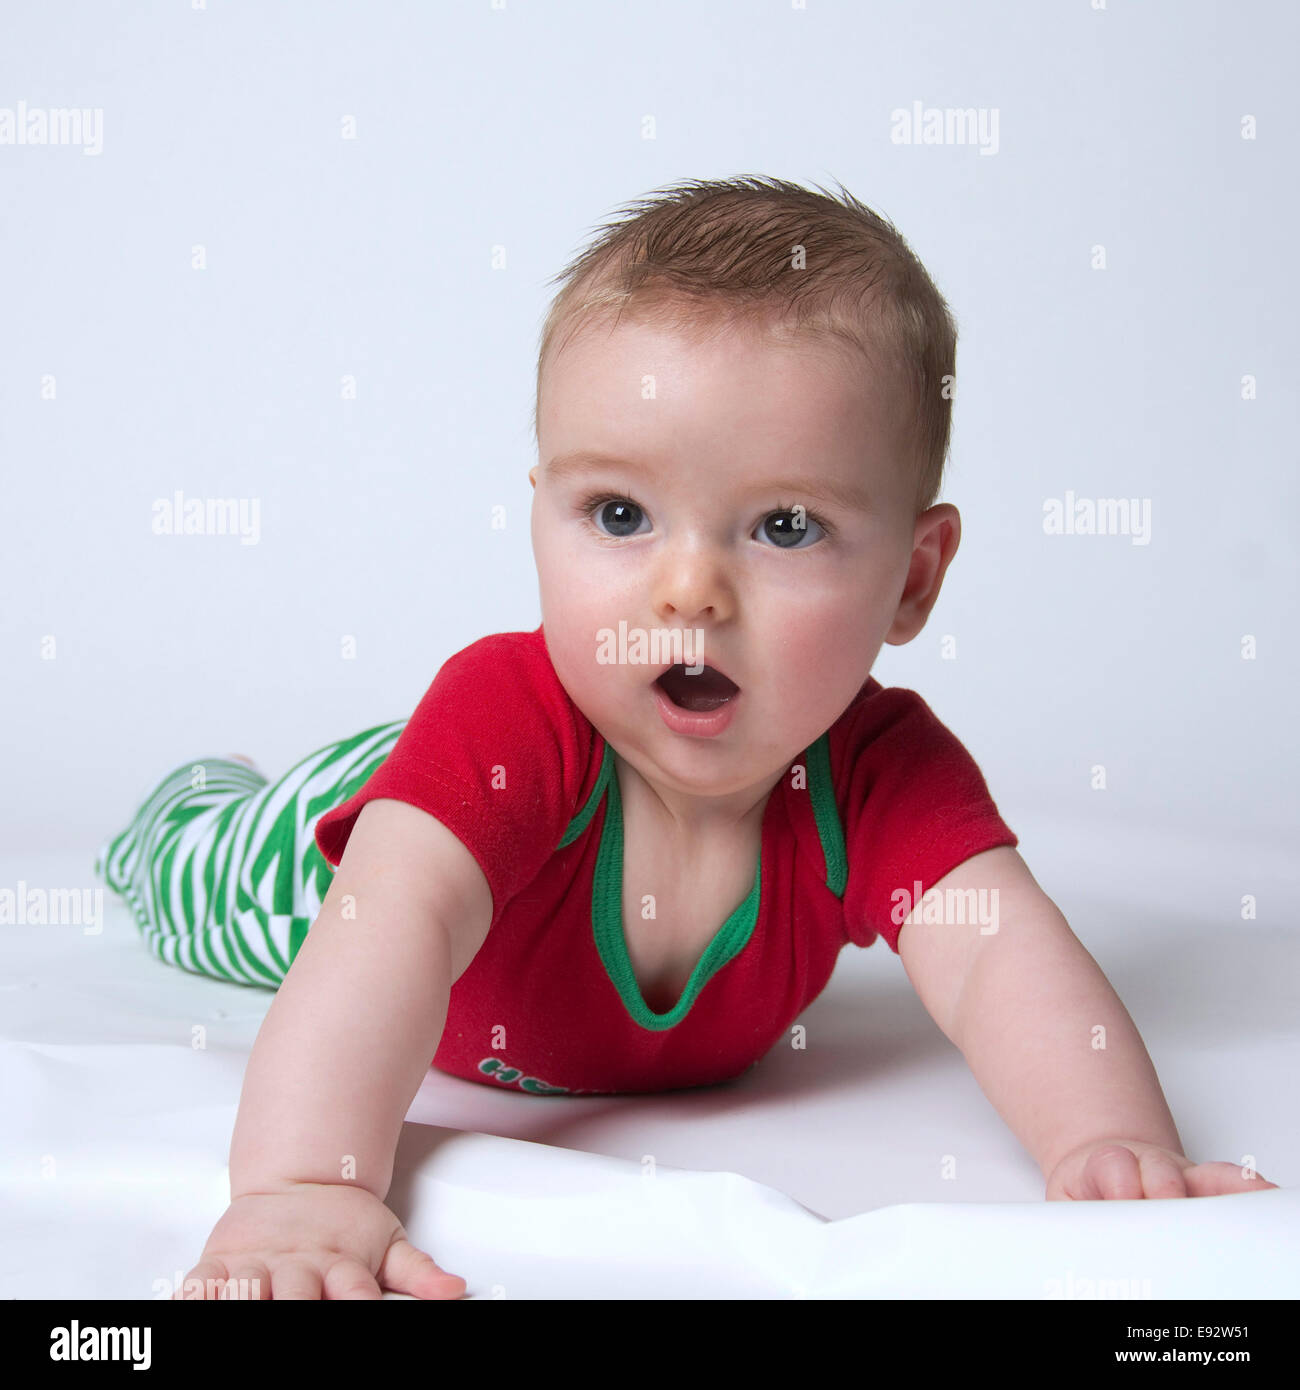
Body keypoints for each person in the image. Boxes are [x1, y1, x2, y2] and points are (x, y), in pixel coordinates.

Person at [95, 176, 1276, 1302]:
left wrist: (1112, 1145)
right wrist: (305, 1185)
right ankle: (194, 792)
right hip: (335, 852)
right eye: (620, 514)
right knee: (190, 862)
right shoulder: (510, 723)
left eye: (784, 525)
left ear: (912, 579)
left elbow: (998, 957)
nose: (690, 591)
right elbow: (386, 928)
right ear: (540, 509)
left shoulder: (874, 774)